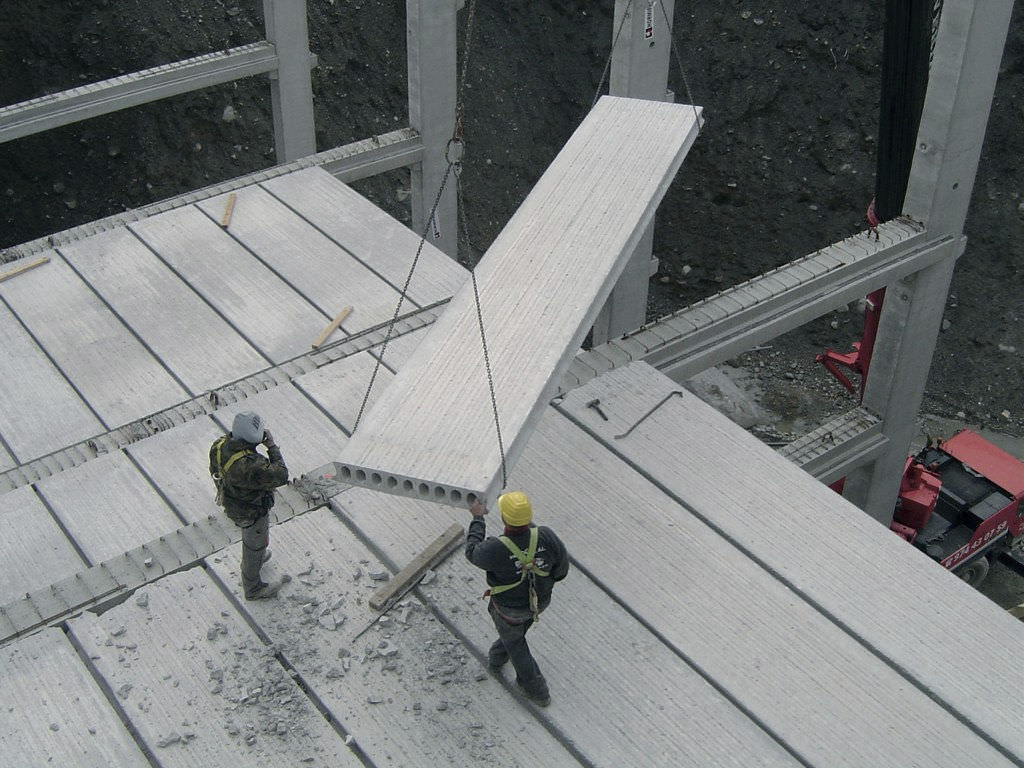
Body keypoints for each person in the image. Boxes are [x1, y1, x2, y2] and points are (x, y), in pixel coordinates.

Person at [465, 490, 569, 706]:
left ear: (504, 519)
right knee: (515, 634)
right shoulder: (546, 535)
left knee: (517, 644)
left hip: (509, 610)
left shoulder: (494, 548)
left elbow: (472, 552)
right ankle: (498, 655)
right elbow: (561, 570)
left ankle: (536, 689)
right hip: (539, 602)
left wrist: (477, 517)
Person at [209, 411, 289, 600]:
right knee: (255, 545)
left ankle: (257, 559)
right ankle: (253, 588)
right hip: (251, 510)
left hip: (232, 501)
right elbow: (281, 475)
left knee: (255, 541)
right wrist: (271, 447)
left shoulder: (220, 445)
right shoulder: (251, 465)